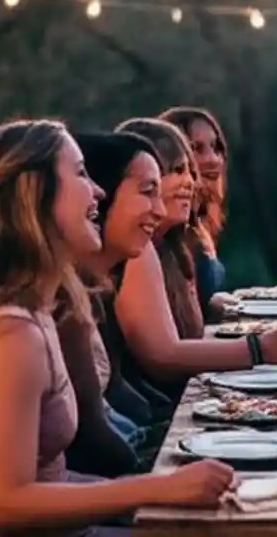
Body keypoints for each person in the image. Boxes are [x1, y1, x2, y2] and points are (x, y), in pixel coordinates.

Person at [0, 120, 234, 537]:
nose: (97, 190)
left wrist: (154, 493)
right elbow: (8, 503)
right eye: (80, 174)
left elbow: (51, 478)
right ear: (34, 198)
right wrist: (156, 488)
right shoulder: (8, 336)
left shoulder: (36, 310)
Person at [110, 118, 277, 404]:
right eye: (177, 170)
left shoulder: (169, 248)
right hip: (160, 418)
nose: (190, 182)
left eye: (190, 172)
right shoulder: (138, 251)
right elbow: (163, 356)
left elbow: (190, 331)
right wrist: (262, 347)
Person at [60, 132, 167, 477]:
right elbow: (87, 438)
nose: (161, 210)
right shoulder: (53, 305)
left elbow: (122, 400)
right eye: (148, 192)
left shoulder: (92, 288)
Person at [159, 107, 231, 323]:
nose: (213, 159)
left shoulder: (199, 223)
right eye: (196, 148)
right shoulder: (160, 231)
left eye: (215, 147)